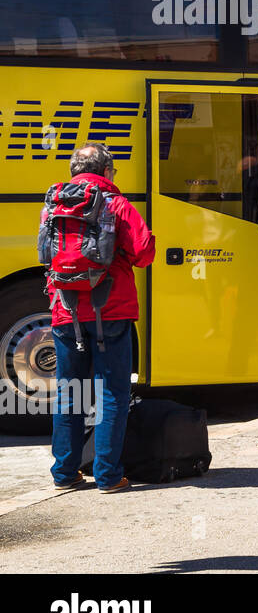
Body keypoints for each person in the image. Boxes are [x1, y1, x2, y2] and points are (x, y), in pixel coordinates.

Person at [46, 144, 156, 494]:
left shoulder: (53, 203)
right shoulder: (115, 203)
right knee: (112, 393)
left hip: (66, 309)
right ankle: (108, 476)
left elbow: (45, 253)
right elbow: (143, 253)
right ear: (107, 171)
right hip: (111, 308)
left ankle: (64, 473)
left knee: (70, 392)